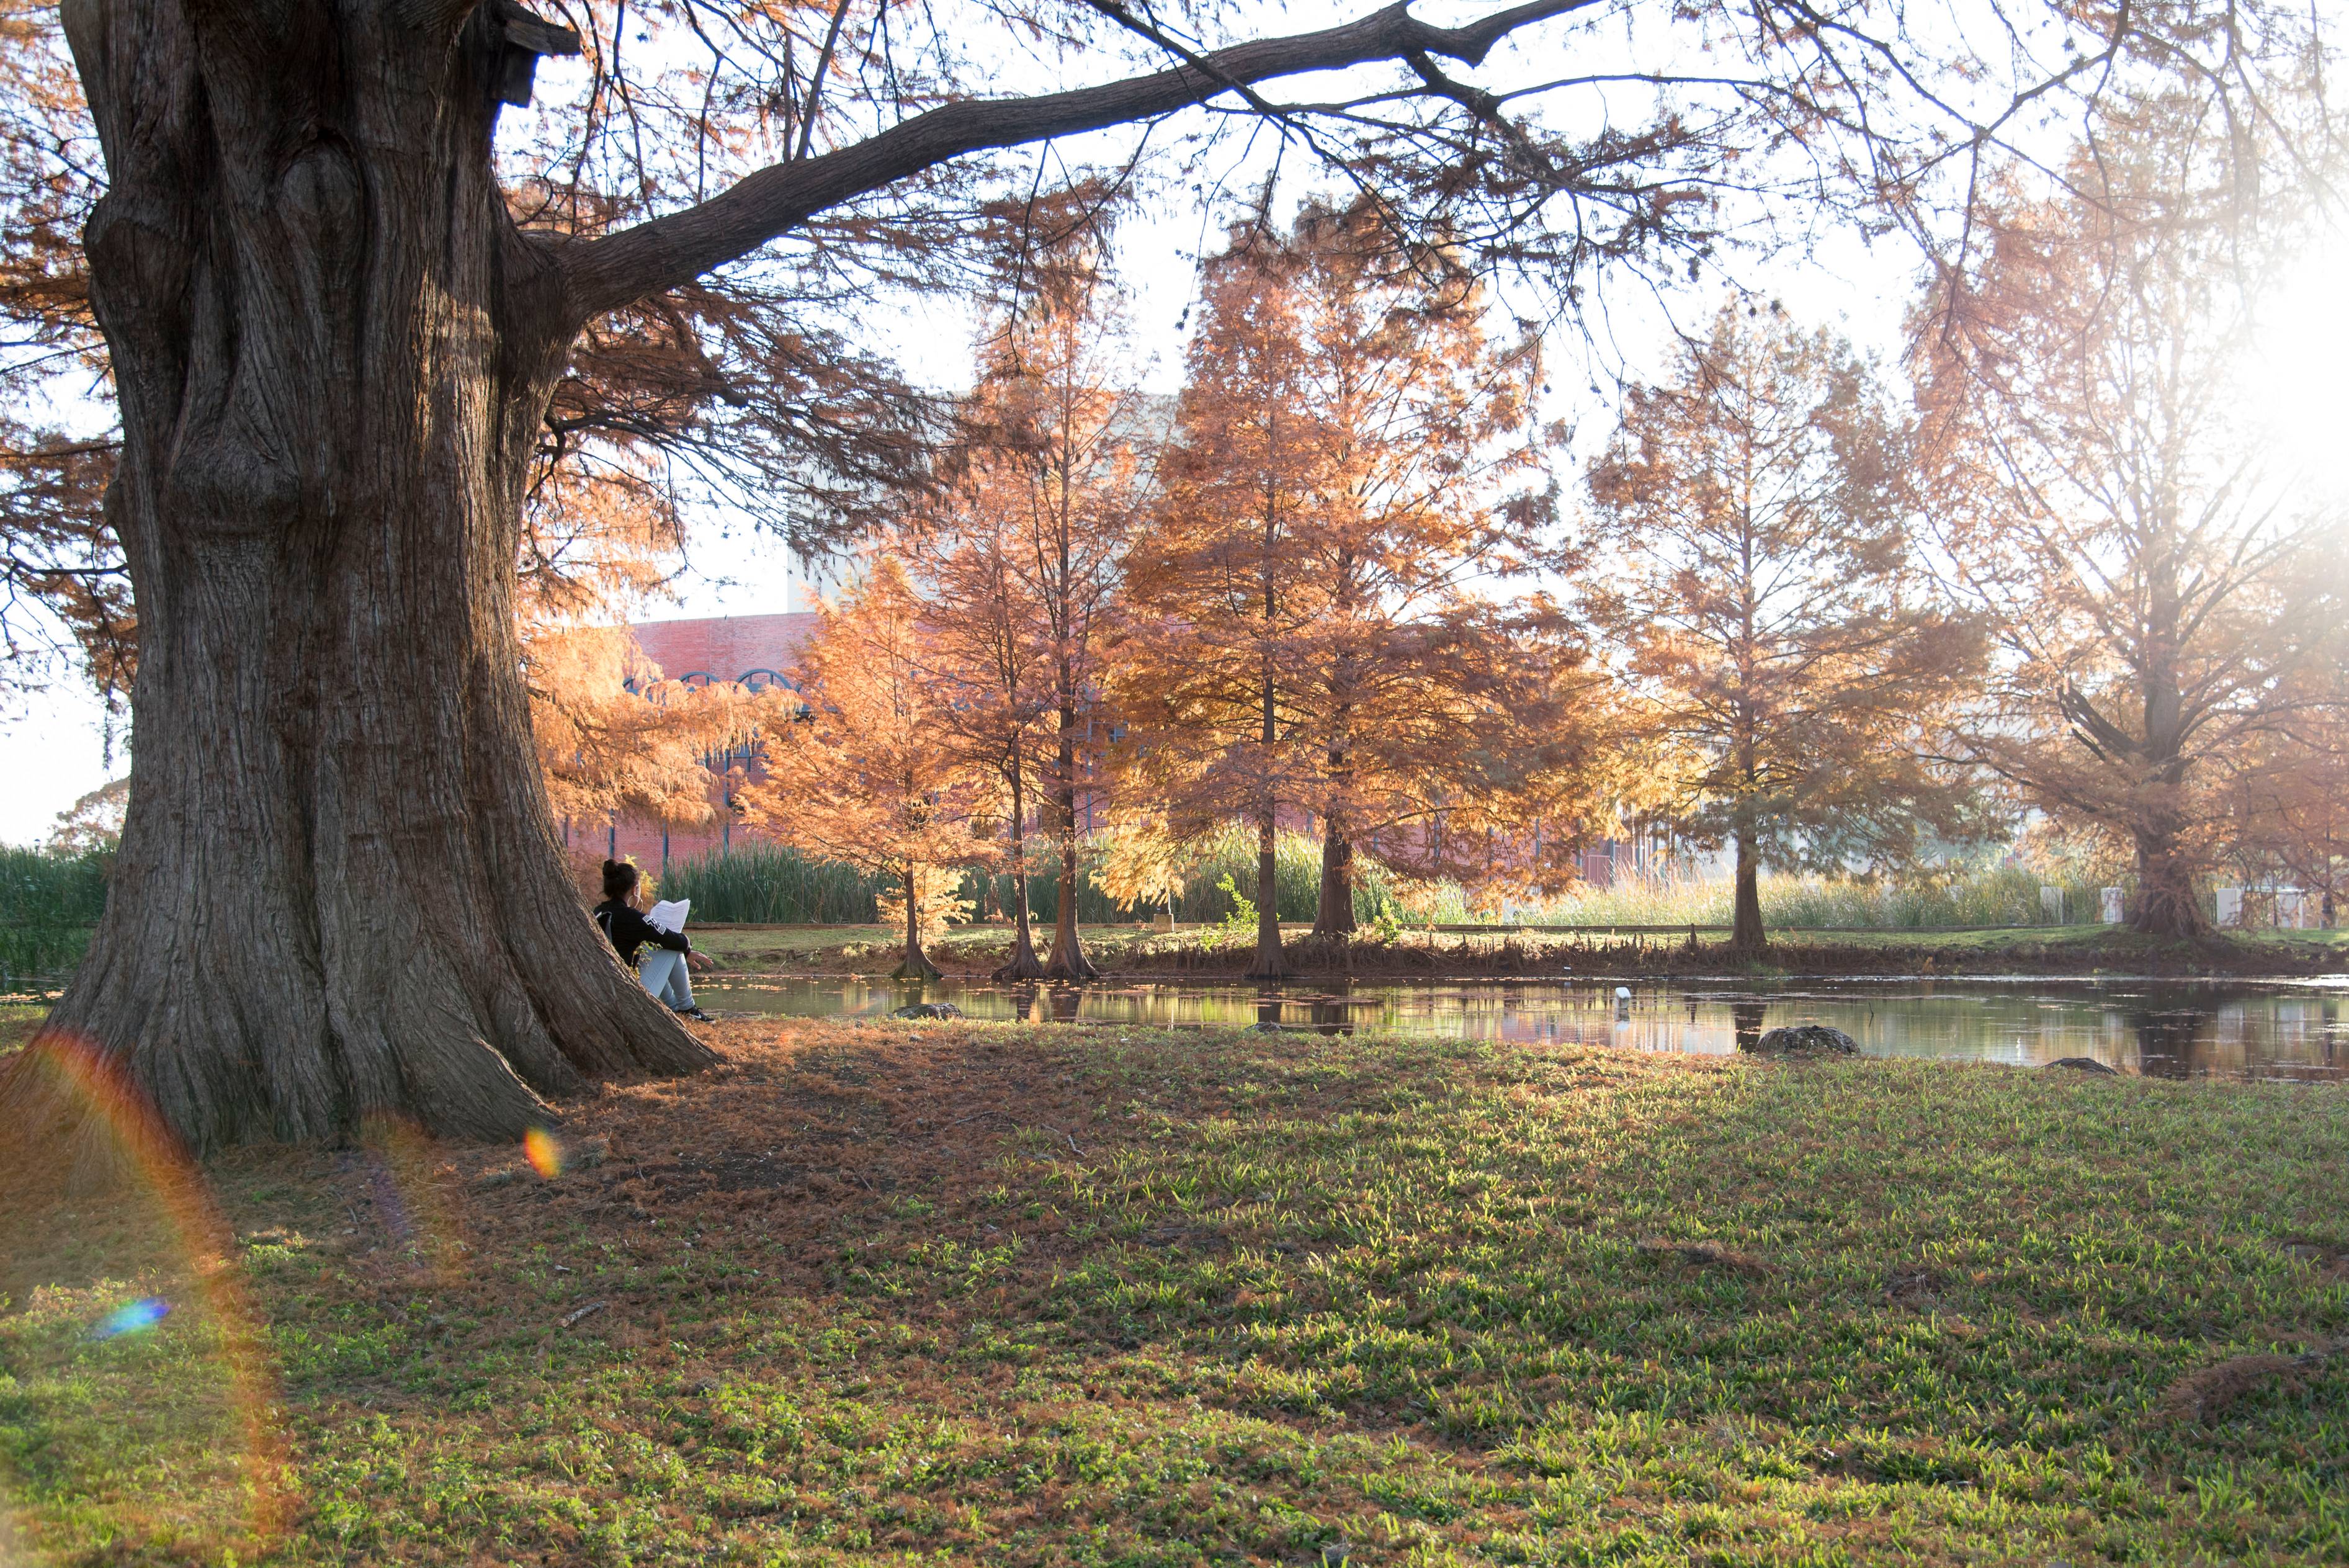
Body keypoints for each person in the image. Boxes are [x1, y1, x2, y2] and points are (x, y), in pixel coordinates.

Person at [593, 859, 712, 1022]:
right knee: (671, 946)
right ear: (635, 890)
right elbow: (676, 941)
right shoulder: (632, 918)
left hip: (603, 990)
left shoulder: (597, 912)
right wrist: (687, 949)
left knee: (654, 949)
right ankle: (688, 1009)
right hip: (626, 996)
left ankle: (677, 1009)